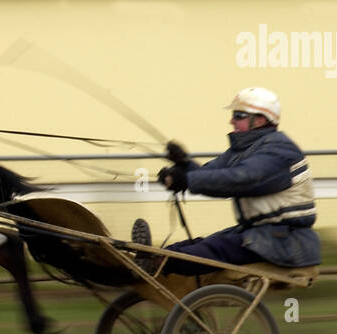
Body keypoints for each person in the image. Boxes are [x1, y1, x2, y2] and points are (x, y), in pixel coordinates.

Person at [130, 87, 320, 275]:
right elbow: (213, 174)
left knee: (209, 251)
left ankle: (152, 264)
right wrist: (183, 165)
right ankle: (147, 260)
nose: (231, 121)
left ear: (260, 119)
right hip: (262, 235)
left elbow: (241, 180)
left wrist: (187, 180)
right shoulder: (247, 149)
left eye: (238, 115)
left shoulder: (279, 151)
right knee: (193, 246)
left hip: (285, 241)